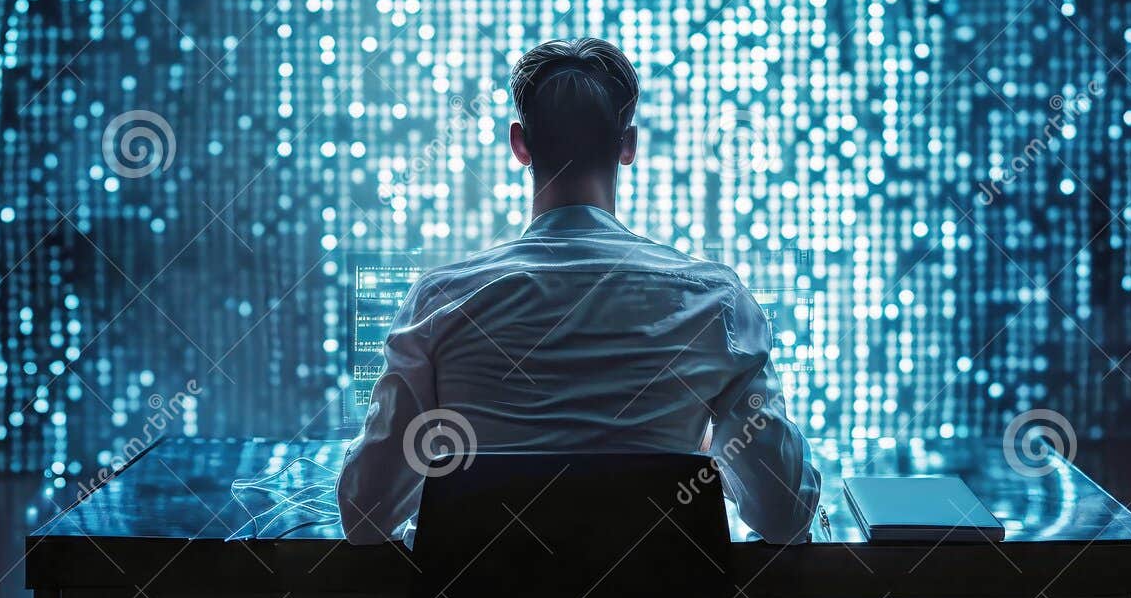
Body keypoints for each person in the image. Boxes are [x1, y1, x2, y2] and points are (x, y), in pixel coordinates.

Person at [337, 37, 822, 546]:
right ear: (628, 145)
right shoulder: (715, 302)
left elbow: (365, 515)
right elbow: (785, 516)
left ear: (519, 144)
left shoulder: (440, 303)